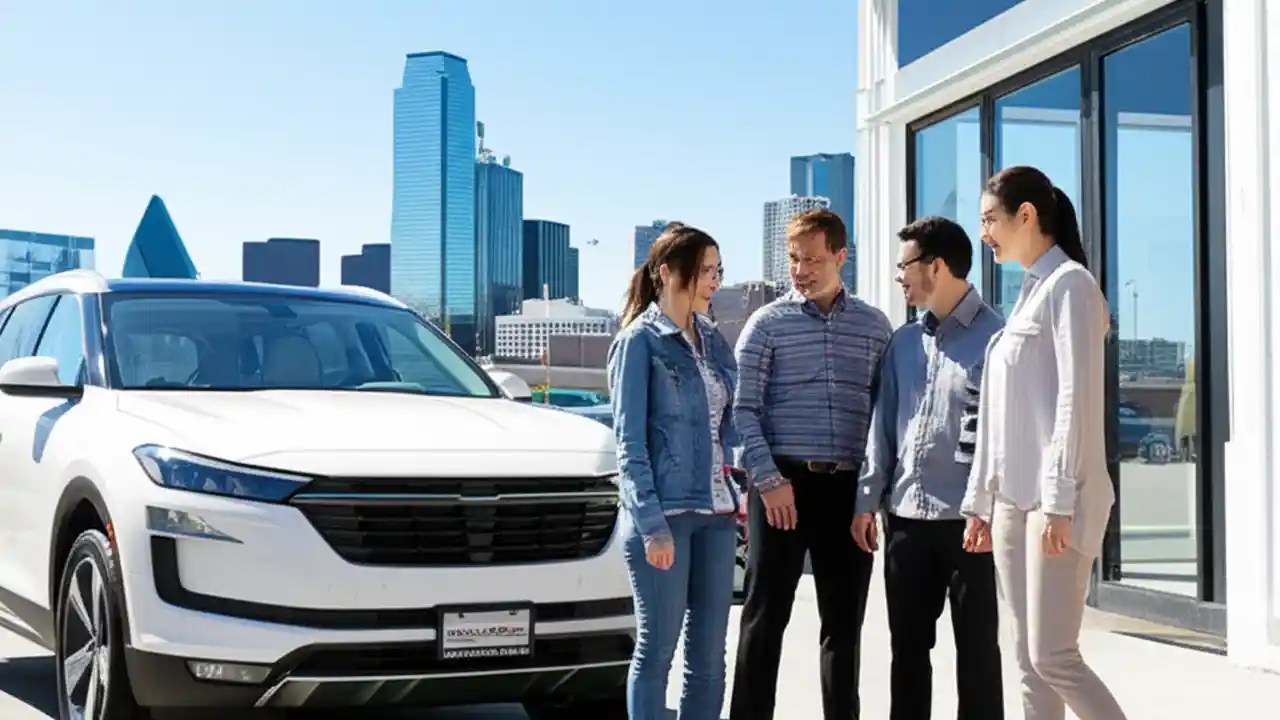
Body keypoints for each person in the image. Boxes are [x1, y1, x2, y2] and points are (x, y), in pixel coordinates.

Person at [961, 165, 1127, 720]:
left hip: (1057, 501)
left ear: (1026, 215)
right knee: (1029, 664)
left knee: (1054, 656)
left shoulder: (1071, 287)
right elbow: (1000, 414)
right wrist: (981, 502)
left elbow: (1075, 403)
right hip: (1013, 503)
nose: (984, 232)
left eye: (990, 219)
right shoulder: (1028, 295)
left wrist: (1058, 501)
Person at [730, 208, 892, 720]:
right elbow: (743, 409)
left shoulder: (874, 327)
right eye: (795, 259)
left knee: (843, 627)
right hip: (782, 488)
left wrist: (870, 498)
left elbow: (883, 415)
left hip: (846, 491)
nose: (801, 270)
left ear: (841, 257)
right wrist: (770, 480)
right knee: (763, 618)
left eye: (813, 259)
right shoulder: (766, 324)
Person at [851, 216, 1005, 720]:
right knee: (908, 657)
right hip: (907, 525)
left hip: (971, 528)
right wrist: (867, 501)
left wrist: (990, 509)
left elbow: (1005, 438)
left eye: (905, 266)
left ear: (935, 266)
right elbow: (884, 428)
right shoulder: (903, 343)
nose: (900, 276)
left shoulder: (999, 340)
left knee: (978, 658)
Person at [607, 221, 740, 720]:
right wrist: (652, 527)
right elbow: (630, 443)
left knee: (708, 659)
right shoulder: (639, 342)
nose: (714, 281)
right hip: (663, 518)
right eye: (705, 271)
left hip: (716, 513)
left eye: (718, 270)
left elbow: (728, 425)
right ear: (667, 272)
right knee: (657, 649)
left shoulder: (712, 338)